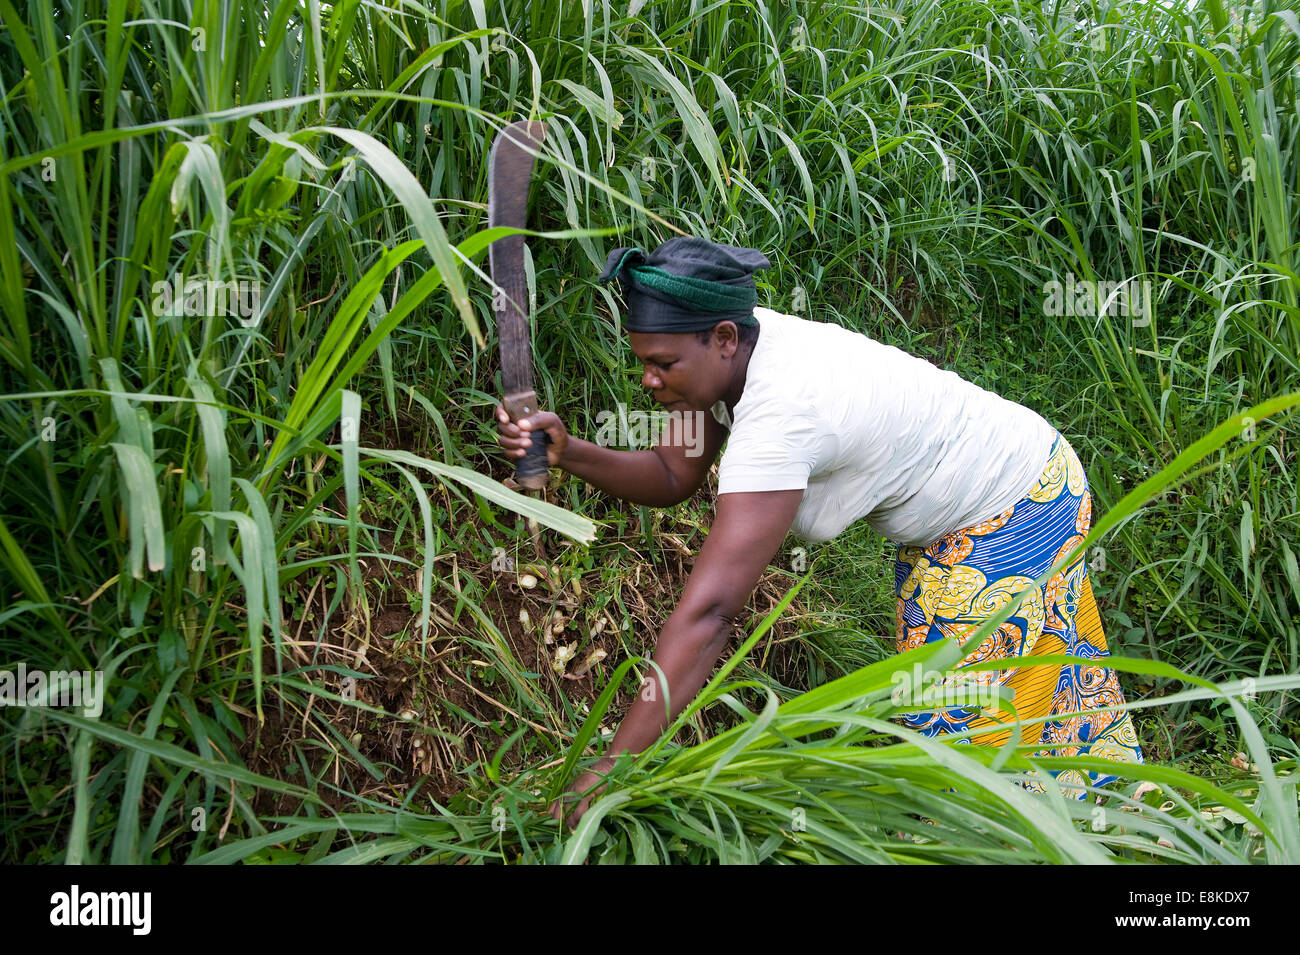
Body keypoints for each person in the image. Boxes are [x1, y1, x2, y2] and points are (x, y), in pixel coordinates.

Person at [495, 236, 1144, 828]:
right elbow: (672, 472)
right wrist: (569, 450)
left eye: (662, 363)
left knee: (961, 748)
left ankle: (1037, 835)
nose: (649, 380)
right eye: (643, 361)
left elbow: (712, 612)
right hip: (1019, 477)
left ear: (723, 337)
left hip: (1013, 507)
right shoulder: (740, 351)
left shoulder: (781, 415)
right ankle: (1115, 826)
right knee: (1024, 698)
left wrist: (610, 770)